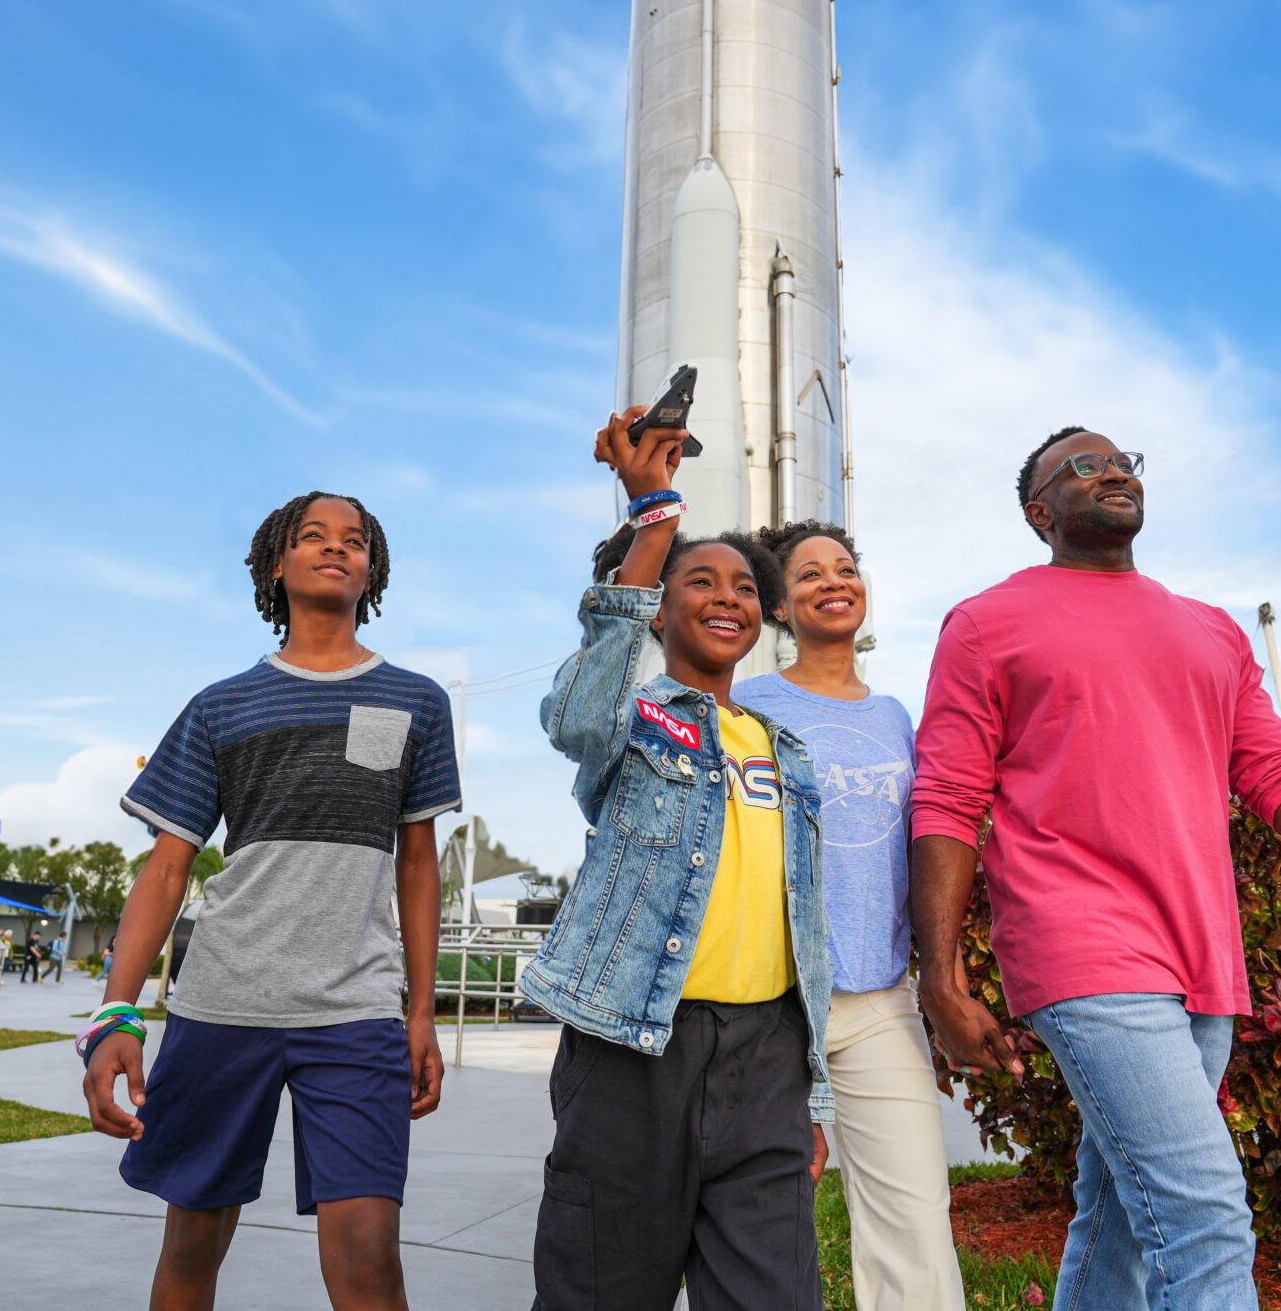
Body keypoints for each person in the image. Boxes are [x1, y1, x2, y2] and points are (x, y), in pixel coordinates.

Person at [910, 427, 1281, 1310]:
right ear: (1039, 512)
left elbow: (1280, 774)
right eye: (1081, 464)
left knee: (1116, 1216)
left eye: (1122, 459)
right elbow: (949, 797)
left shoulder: (1210, 630)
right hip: (1080, 943)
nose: (1110, 469)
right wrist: (941, 975)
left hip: (1204, 960)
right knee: (1206, 1216)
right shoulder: (988, 621)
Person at [82, 490, 459, 1311]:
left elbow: (419, 865)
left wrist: (420, 1010)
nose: (336, 547)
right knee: (192, 1242)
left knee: (368, 1254)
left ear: (374, 569)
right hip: (224, 1003)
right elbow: (166, 872)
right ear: (275, 565)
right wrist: (116, 1014)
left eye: (354, 540)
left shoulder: (419, 700)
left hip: (356, 1010)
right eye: (313, 536)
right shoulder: (221, 704)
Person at [526, 409, 834, 1311]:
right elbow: (576, 714)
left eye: (746, 585)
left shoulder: (787, 750)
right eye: (701, 580)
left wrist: (807, 1095)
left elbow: (801, 925)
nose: (729, 596)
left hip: (766, 1057)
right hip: (632, 1046)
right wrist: (654, 518)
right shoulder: (636, 714)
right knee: (600, 1290)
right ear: (659, 607)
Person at [733, 521, 966, 1311]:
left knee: (916, 1218)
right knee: (760, 1222)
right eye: (809, 575)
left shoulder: (898, 715)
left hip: (878, 999)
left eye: (846, 569)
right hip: (771, 998)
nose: (834, 582)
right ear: (779, 605)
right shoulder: (750, 701)